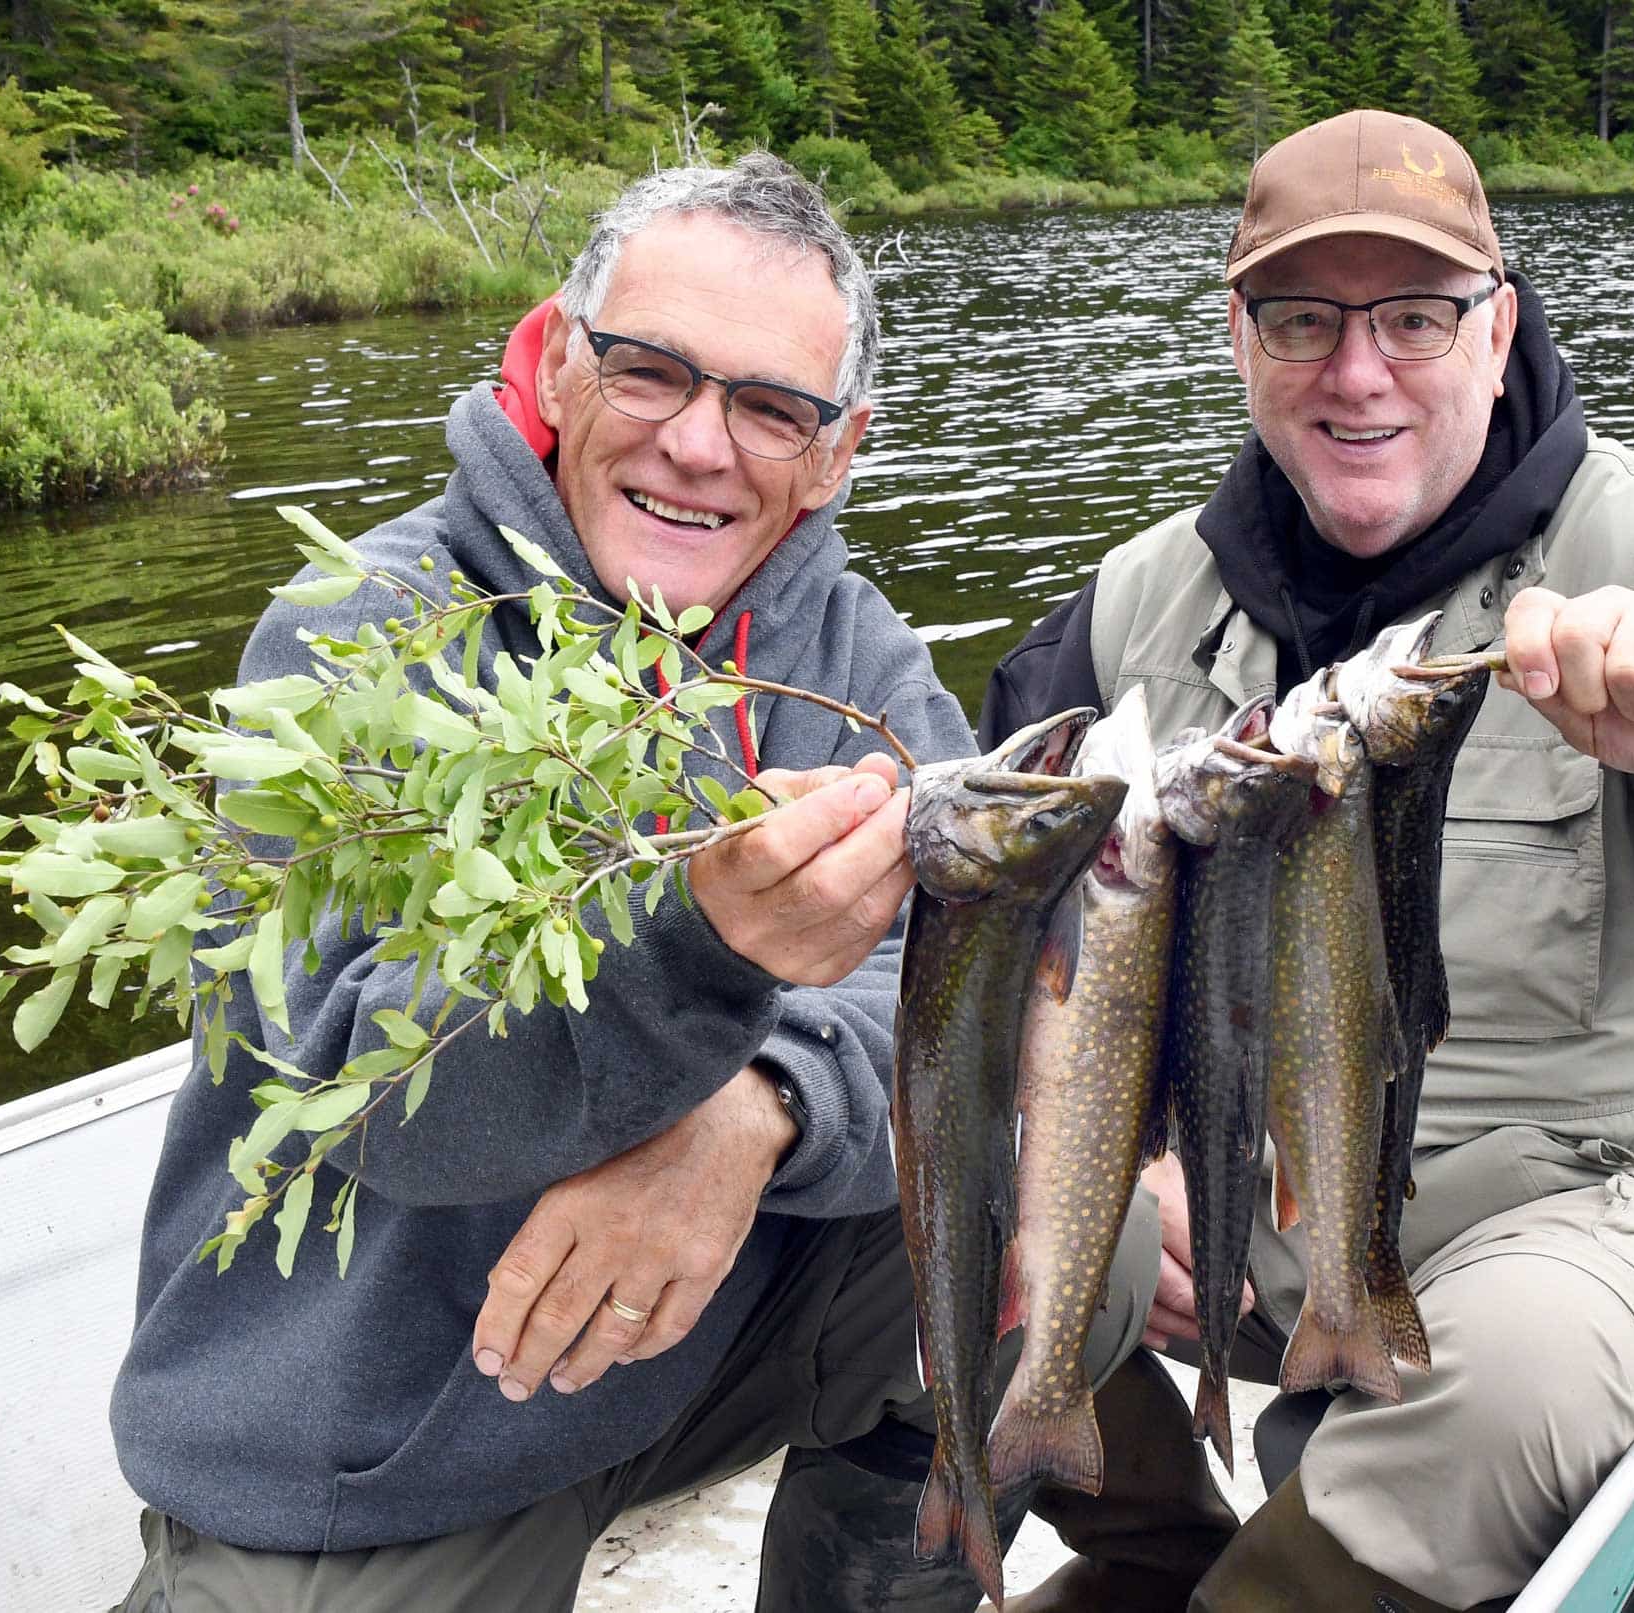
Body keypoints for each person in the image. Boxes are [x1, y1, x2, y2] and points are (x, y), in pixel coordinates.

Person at [111, 153, 1157, 1613]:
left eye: (768, 406)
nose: (700, 446)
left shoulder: (848, 651)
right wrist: (703, 952)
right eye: (650, 371)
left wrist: (751, 1111)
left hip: (708, 1328)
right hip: (391, 1416)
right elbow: (370, 1096)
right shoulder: (355, 644)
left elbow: (959, 998)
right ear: (552, 362)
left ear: (835, 450)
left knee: (1077, 1252)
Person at [981, 108, 1634, 1612]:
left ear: (1497, 332)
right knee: (916, 1203)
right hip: (1233, 1227)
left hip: (1574, 1217)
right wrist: (1138, 1161)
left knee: (1504, 1392)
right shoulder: (1132, 607)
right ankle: (1149, 1555)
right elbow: (986, 931)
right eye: (1302, 319)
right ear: (1239, 340)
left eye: (1416, 318)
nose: (1355, 370)